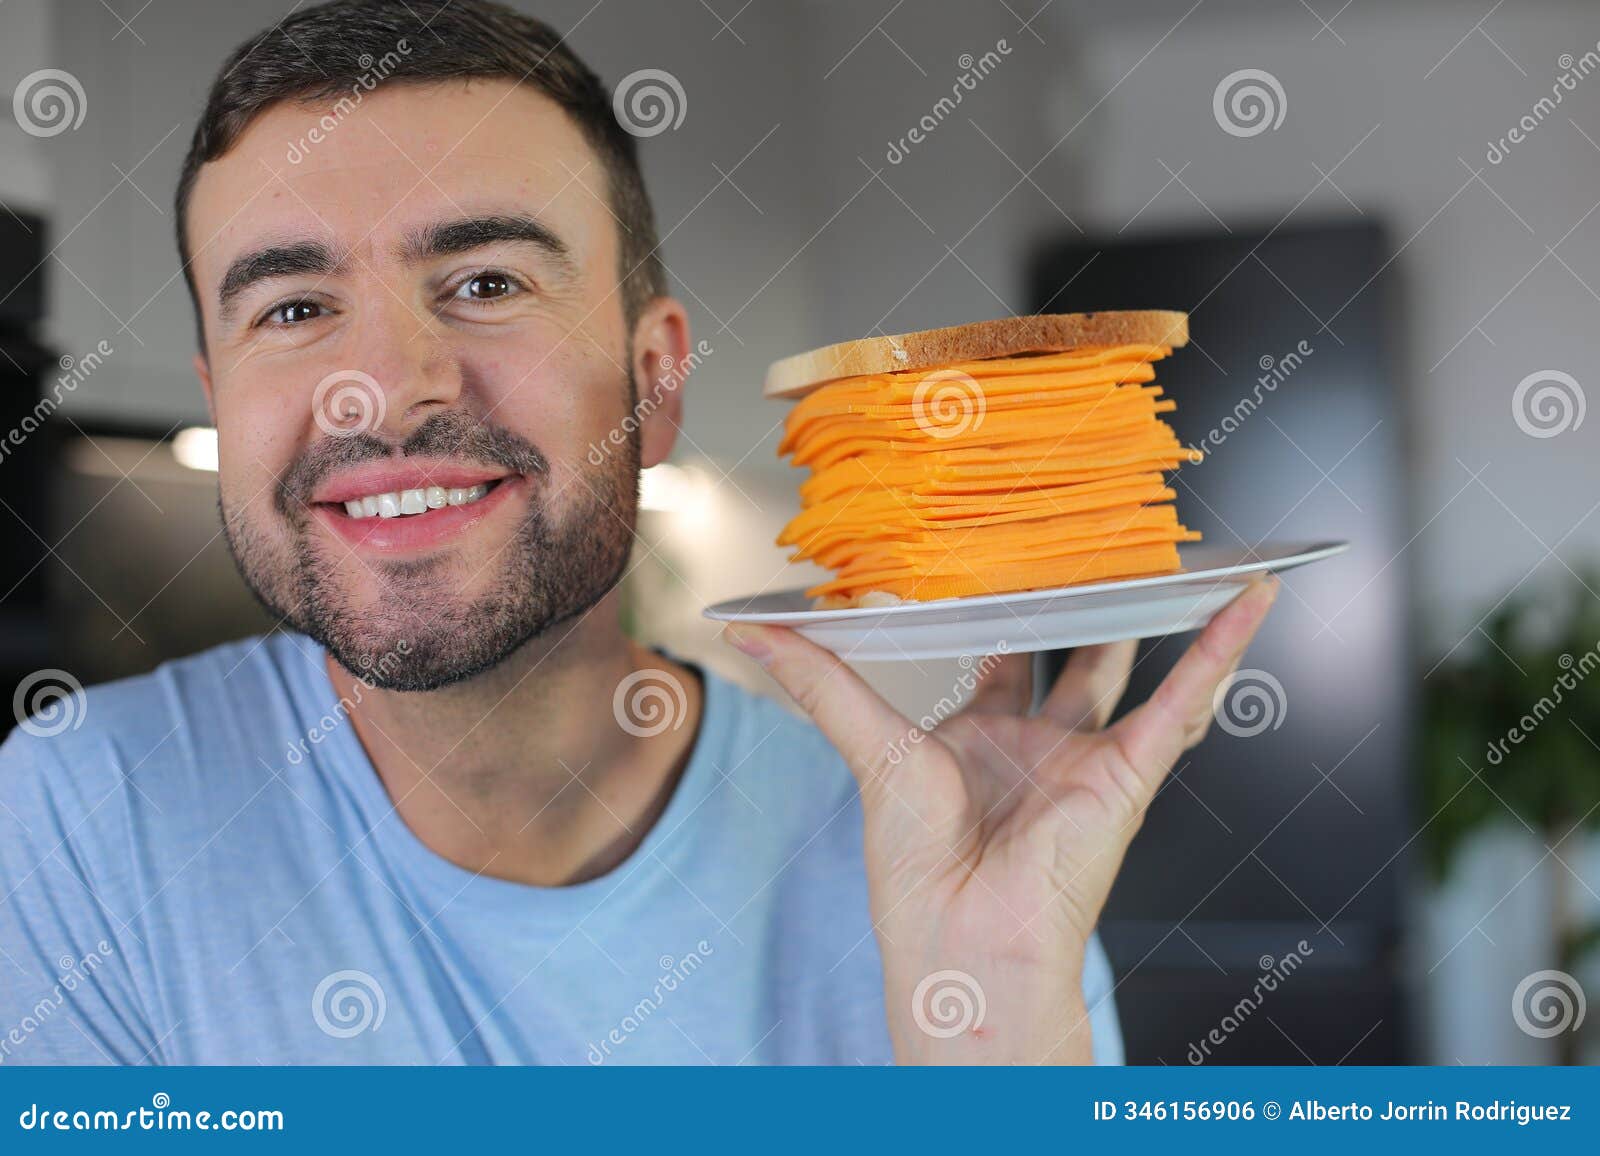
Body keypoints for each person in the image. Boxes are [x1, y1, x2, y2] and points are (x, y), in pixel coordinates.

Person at [0, 0, 1275, 1065]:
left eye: (486, 283)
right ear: (219, 397)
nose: (380, 388)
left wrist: (992, 1031)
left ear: (653, 382)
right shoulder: (80, 817)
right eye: (291, 308)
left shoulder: (926, 849)